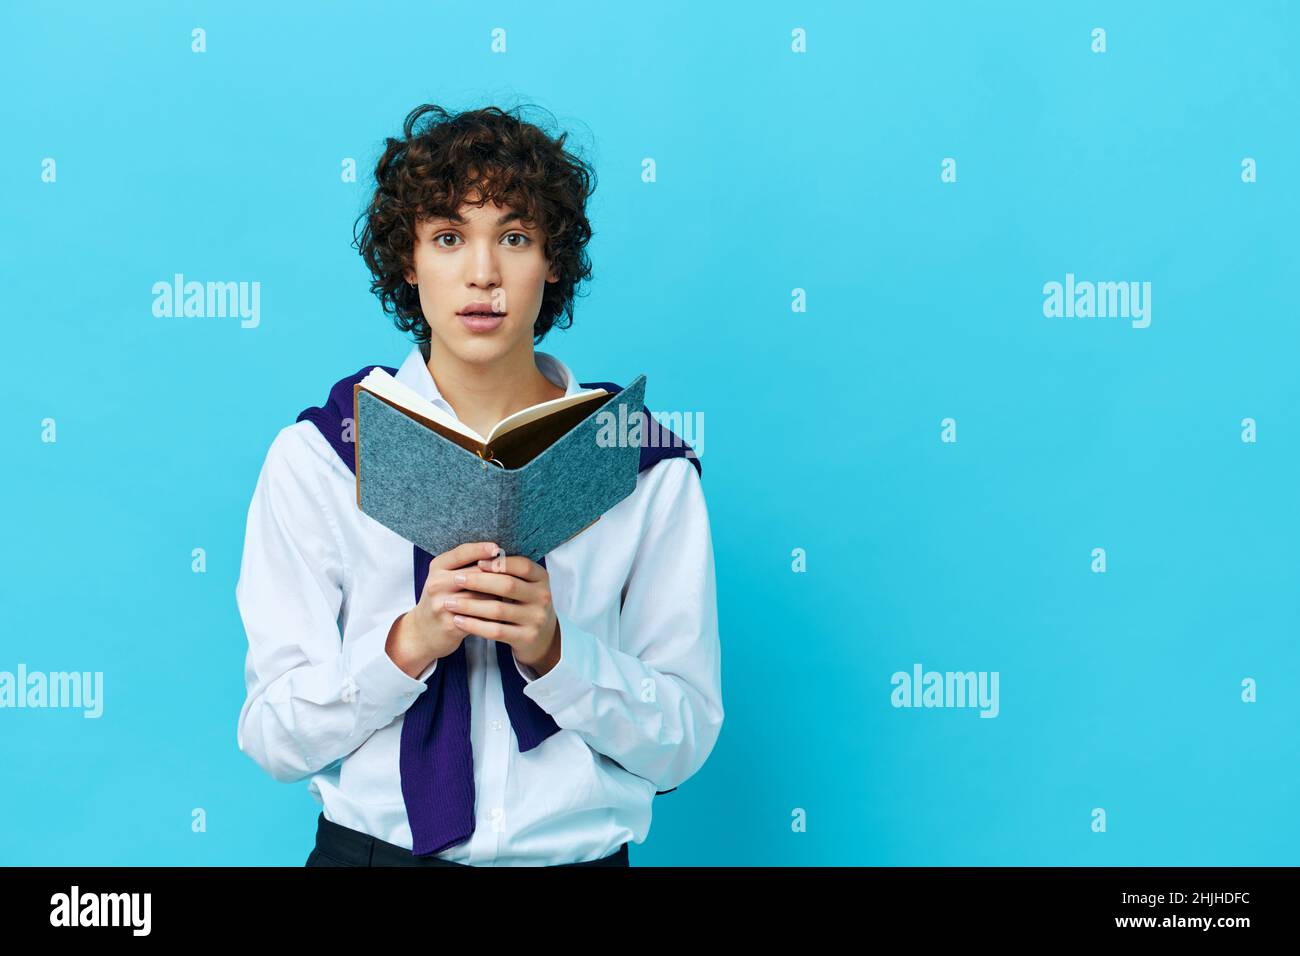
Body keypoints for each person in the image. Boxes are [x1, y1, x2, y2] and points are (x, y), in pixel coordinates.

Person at [234, 103, 723, 867]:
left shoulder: (641, 468)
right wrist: (407, 645)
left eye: (516, 238)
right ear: (409, 259)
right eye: (449, 237)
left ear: (552, 261)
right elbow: (272, 737)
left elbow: (683, 744)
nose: (483, 274)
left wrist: (560, 655)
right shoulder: (322, 458)